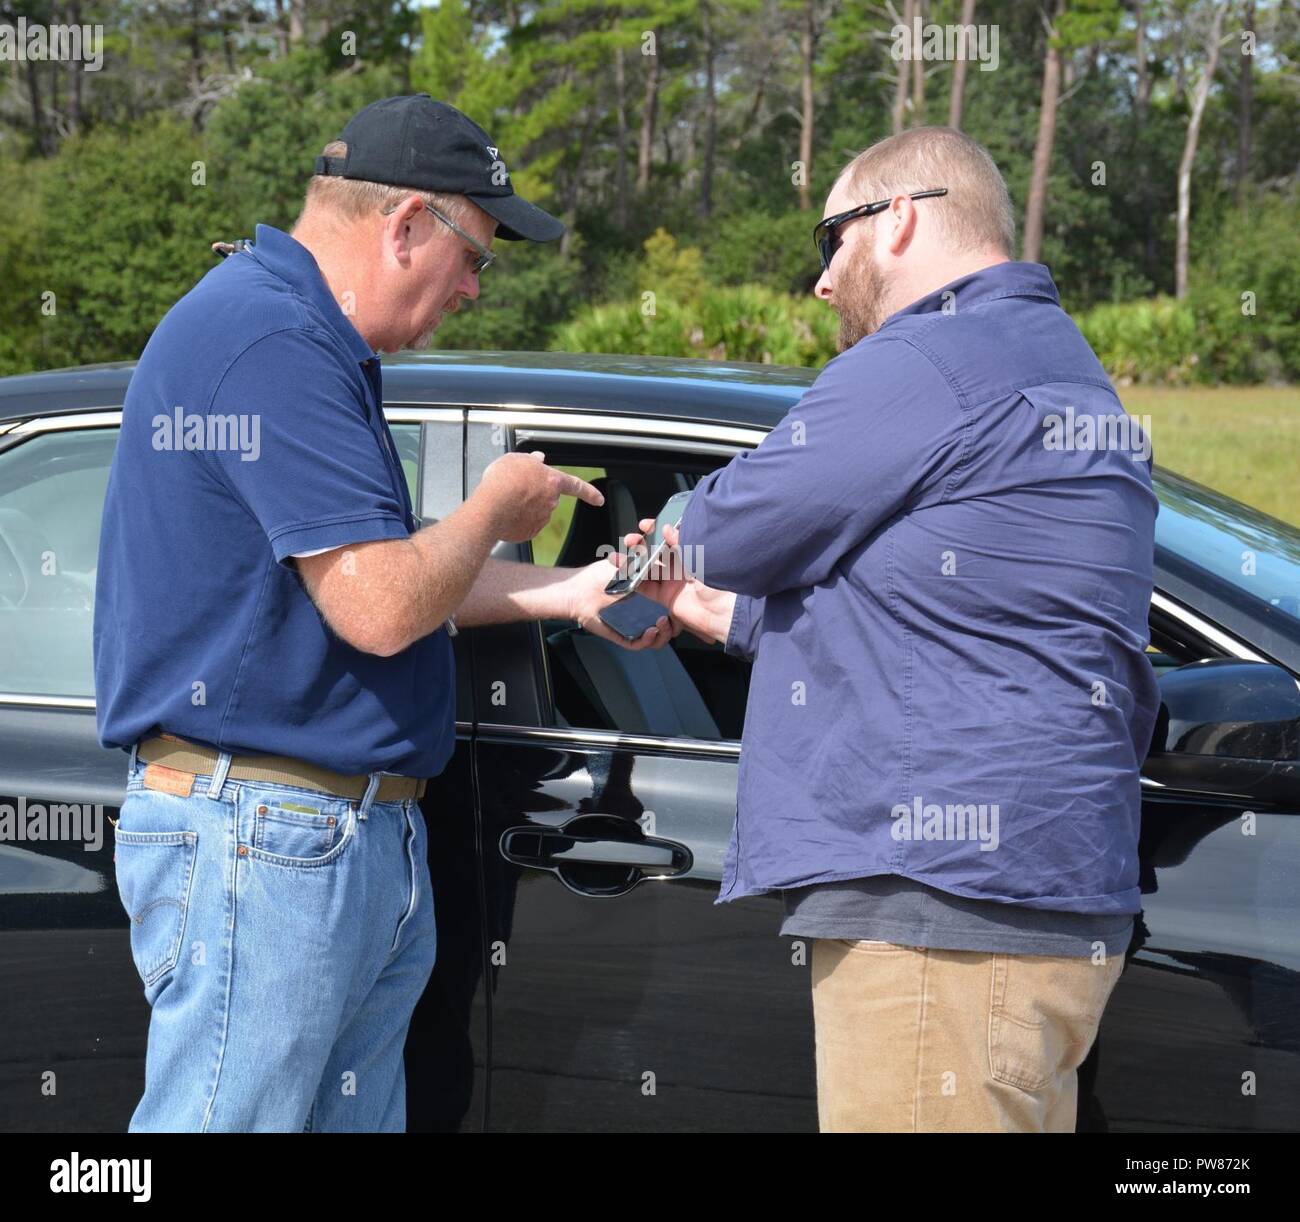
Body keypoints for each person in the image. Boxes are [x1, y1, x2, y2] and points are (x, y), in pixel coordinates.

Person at [95, 94, 673, 1133]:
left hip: (323, 833)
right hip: (268, 837)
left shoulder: (297, 334)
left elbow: (390, 576)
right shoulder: (270, 339)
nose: (475, 289)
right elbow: (381, 607)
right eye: (475, 254)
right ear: (406, 221)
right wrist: (494, 507)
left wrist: (573, 592)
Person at [630, 126, 1159, 1132]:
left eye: (830, 241)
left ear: (901, 215)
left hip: (937, 915)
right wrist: (726, 617)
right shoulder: (1061, 369)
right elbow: (953, 613)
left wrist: (658, 542)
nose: (822, 281)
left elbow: (724, 524)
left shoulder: (928, 354)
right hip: (1041, 904)